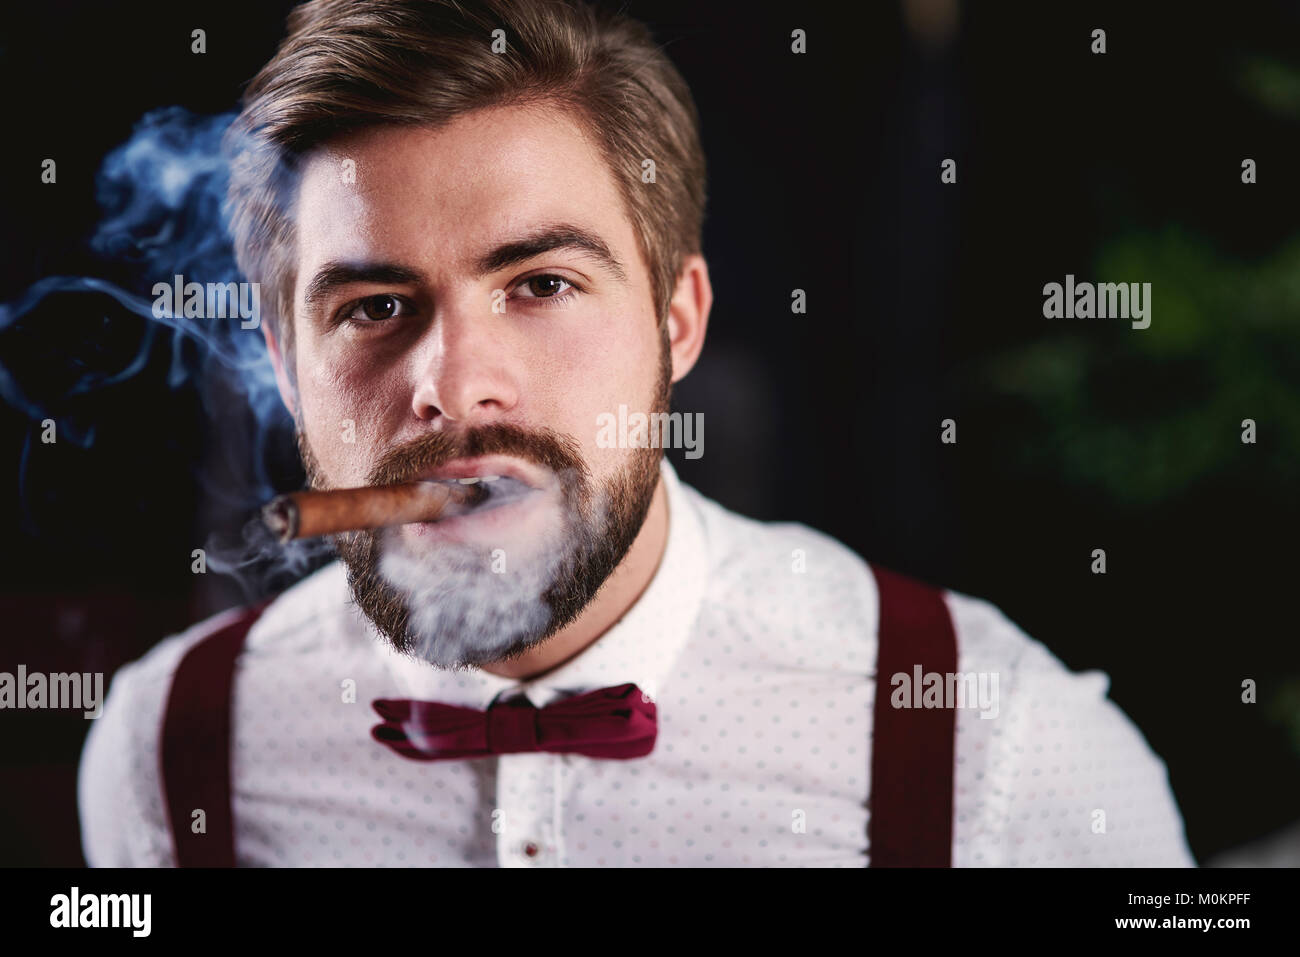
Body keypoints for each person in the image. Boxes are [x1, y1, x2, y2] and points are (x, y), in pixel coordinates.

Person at [78, 0, 1195, 867]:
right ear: (283, 363)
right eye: (373, 308)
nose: (457, 388)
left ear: (677, 321)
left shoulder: (1003, 748)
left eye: (542, 284)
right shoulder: (164, 748)